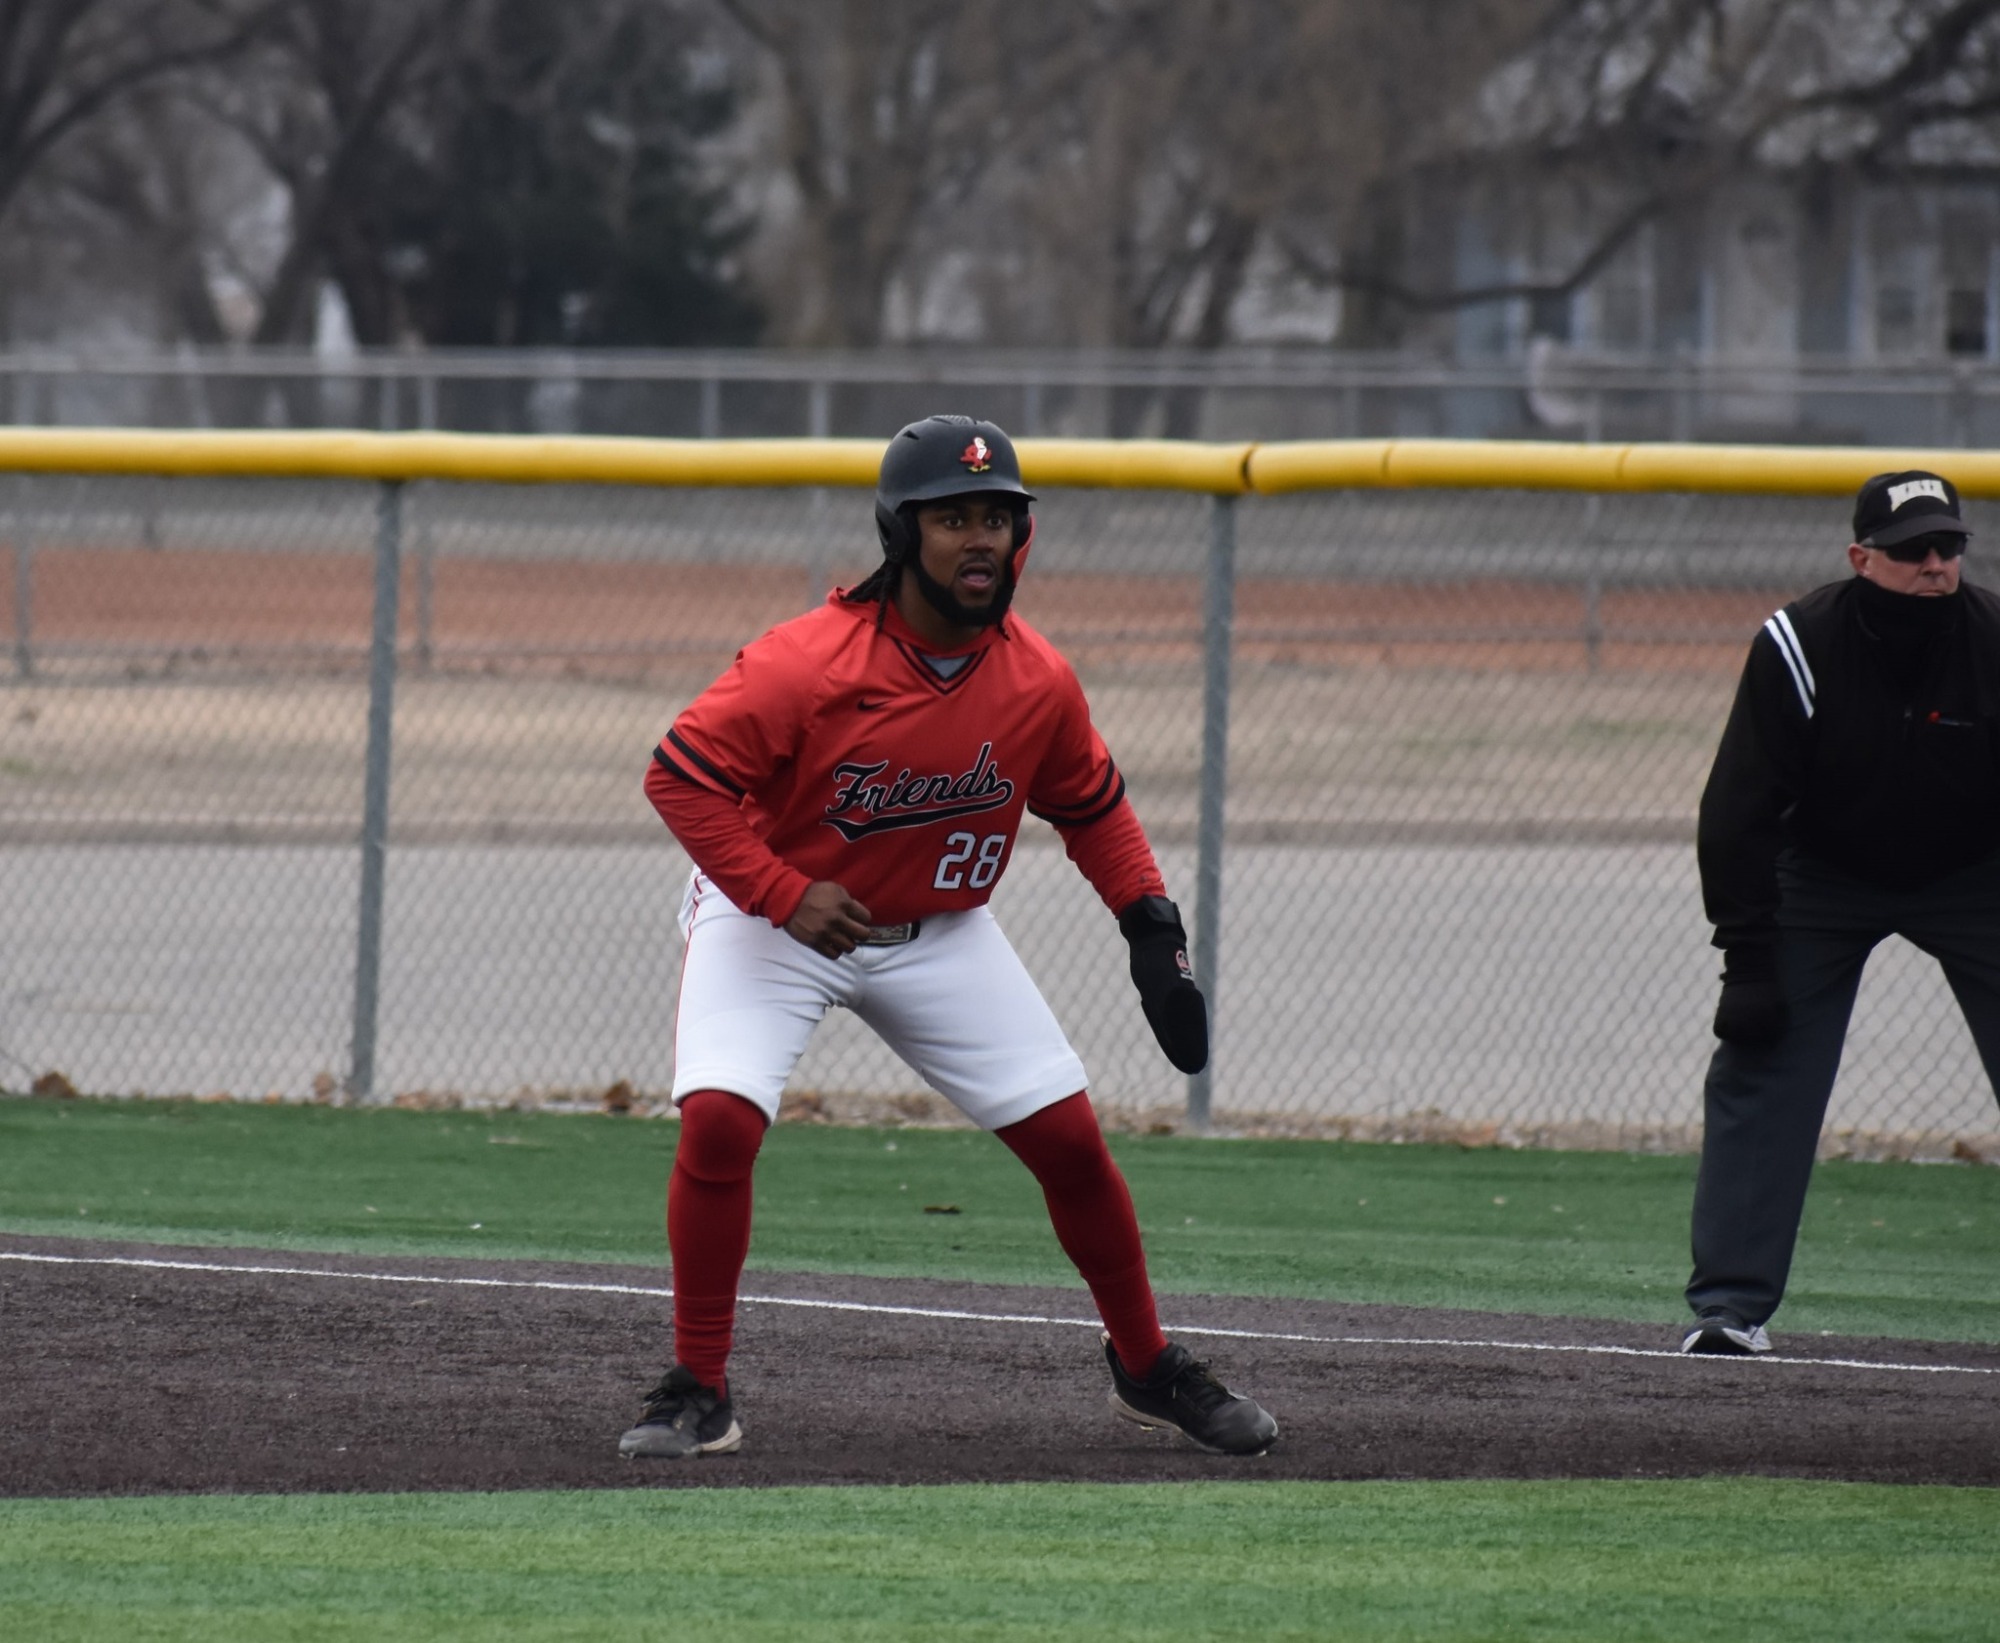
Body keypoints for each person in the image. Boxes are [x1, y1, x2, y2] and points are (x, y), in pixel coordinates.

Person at [623, 414, 1278, 1457]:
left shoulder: (1036, 678)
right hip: (777, 918)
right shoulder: (804, 663)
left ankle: (1146, 1364)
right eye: (954, 517)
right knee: (718, 1122)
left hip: (938, 931)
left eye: (999, 518)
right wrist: (779, 889)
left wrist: (1149, 926)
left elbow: (1092, 806)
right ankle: (696, 1387)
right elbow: (680, 778)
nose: (981, 538)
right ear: (902, 531)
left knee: (1069, 1142)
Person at [1684, 469, 2000, 1355]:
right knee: (1762, 1062)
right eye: (1911, 551)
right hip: (1823, 874)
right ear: (1863, 557)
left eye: (1949, 547)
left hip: (1977, 873)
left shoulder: (1993, 637)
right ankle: (1730, 1310)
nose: (1935, 564)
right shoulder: (1799, 640)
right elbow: (1739, 807)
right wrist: (1745, 958)